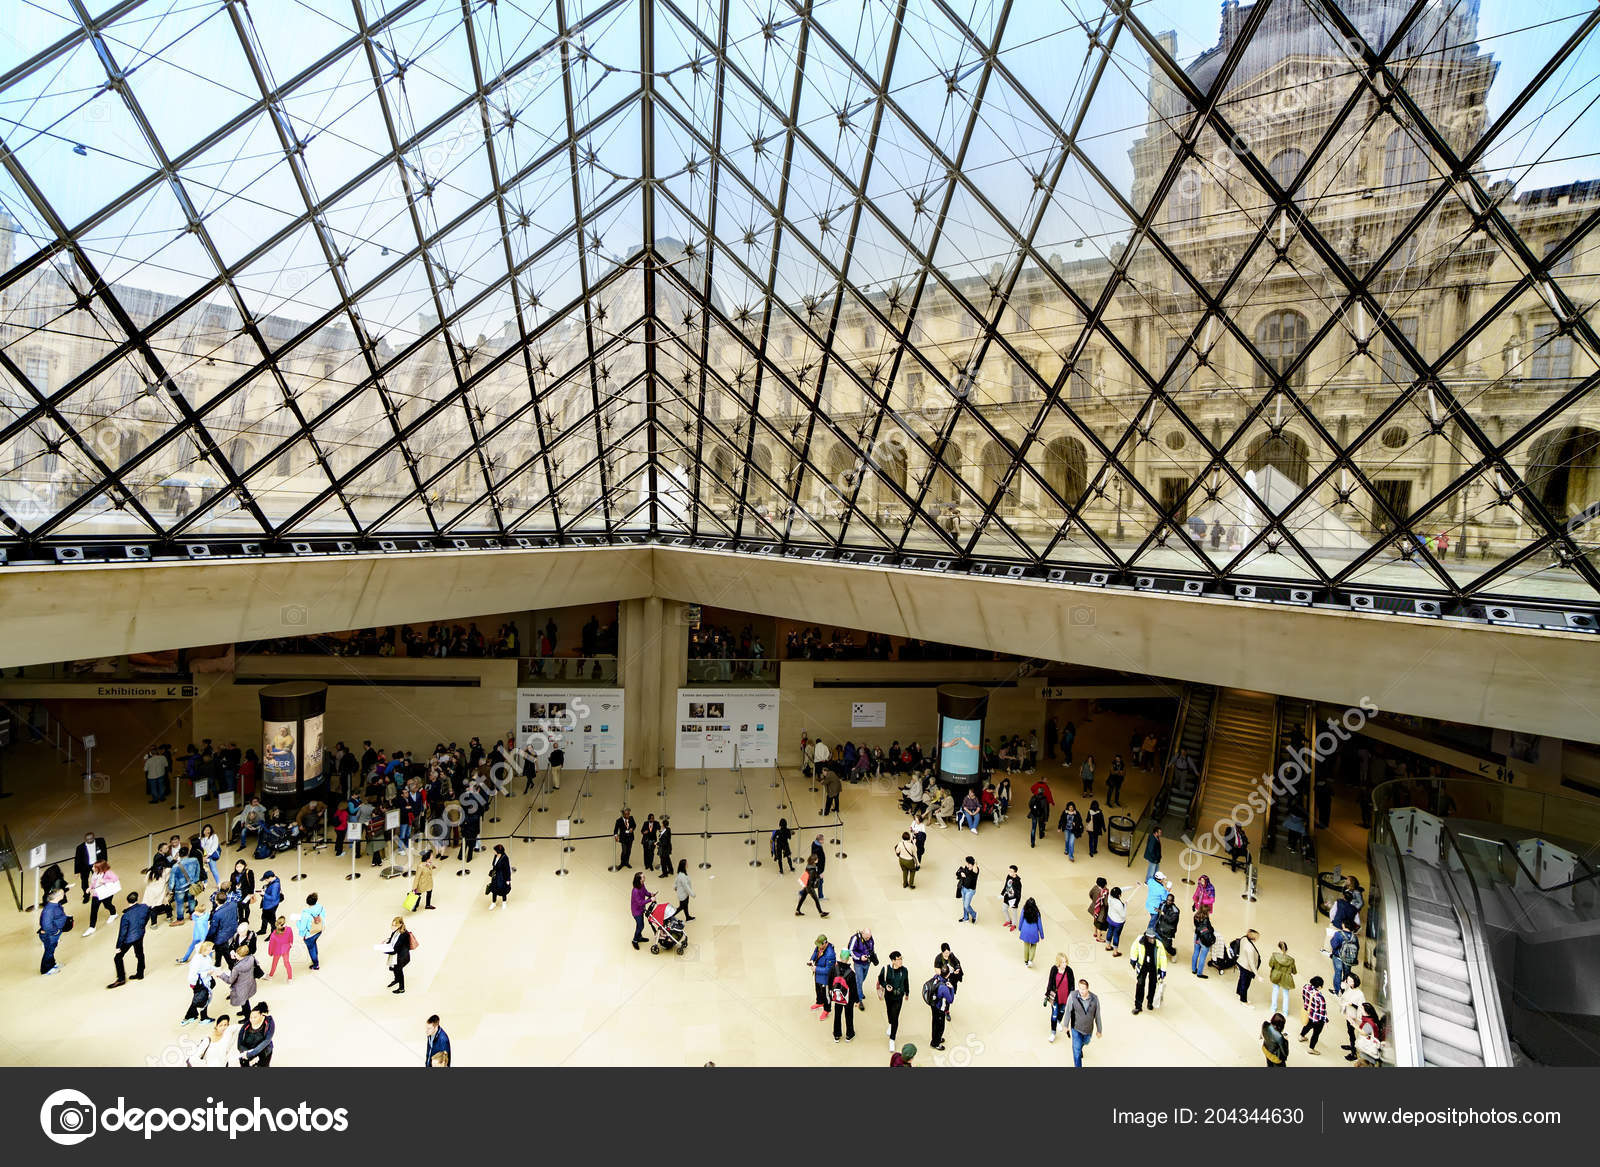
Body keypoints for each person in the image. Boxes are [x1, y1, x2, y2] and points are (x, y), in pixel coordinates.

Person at [107, 891, 150, 988]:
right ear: (137, 898)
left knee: (118, 958)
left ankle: (121, 978)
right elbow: (147, 915)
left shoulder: (126, 916)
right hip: (140, 934)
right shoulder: (144, 907)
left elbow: (122, 933)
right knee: (139, 954)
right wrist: (142, 926)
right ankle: (140, 973)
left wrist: (118, 946)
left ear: (127, 901)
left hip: (129, 939)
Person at [1063, 978, 1102, 1067]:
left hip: (1088, 1030)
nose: (1081, 991)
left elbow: (1097, 1016)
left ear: (1087, 989)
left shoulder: (1094, 999)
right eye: (1080, 988)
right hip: (1076, 1028)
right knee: (1076, 1051)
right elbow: (1068, 1011)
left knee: (1086, 1041)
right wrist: (1065, 1025)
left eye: (1083, 989)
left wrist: (1099, 1030)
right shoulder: (1072, 996)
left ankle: (1081, 1046)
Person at [213, 942, 258, 1018]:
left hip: (241, 987)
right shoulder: (251, 958)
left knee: (244, 1001)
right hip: (249, 983)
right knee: (245, 1000)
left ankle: (247, 1016)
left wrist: (221, 974)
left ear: (241, 956)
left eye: (237, 954)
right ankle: (245, 1011)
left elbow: (230, 980)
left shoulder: (237, 968)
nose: (235, 955)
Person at [877, 951, 910, 1052]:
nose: (901, 961)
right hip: (889, 996)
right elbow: (880, 979)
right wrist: (886, 985)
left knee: (895, 1017)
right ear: (893, 961)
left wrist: (907, 993)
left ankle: (892, 1039)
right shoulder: (886, 969)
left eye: (901, 958)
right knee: (889, 1013)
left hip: (899, 997)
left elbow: (906, 981)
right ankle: (890, 1024)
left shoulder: (904, 970)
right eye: (898, 959)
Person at [181, 942, 217, 1024]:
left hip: (206, 981)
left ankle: (199, 1017)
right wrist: (207, 973)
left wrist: (216, 970)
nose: (211, 951)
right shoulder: (197, 960)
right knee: (199, 1000)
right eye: (209, 949)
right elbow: (193, 974)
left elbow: (210, 966)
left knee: (203, 999)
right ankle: (192, 1017)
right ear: (203, 950)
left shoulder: (206, 957)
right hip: (199, 983)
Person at [1130, 931, 1166, 1014]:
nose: (1152, 940)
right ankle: (1138, 1006)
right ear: (1146, 937)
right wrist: (1133, 959)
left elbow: (1162, 957)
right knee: (1140, 984)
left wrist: (1163, 969)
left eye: (1153, 938)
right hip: (1143, 965)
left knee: (1153, 984)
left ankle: (1150, 1001)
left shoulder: (1159, 944)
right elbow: (1134, 948)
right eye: (1150, 938)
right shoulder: (1139, 941)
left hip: (1154, 966)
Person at [84, 859, 121, 934]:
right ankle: (92, 927)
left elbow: (116, 878)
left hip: (106, 893)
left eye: (94, 867)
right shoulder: (95, 873)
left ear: (100, 868)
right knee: (94, 910)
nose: (92, 868)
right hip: (96, 894)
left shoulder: (108, 872)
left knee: (107, 905)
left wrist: (104, 881)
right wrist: (90, 887)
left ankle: (113, 913)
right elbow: (94, 882)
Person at [1044, 953, 1076, 1041]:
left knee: (1062, 1011)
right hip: (1055, 996)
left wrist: (1072, 996)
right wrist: (1047, 993)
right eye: (1062, 962)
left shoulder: (1069, 970)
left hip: (1066, 996)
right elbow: (1050, 982)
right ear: (1058, 962)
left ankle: (1058, 1022)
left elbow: (1072, 985)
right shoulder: (1054, 969)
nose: (1064, 964)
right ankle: (1053, 1033)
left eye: (1065, 962)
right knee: (1054, 1014)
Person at [73, 832, 109, 903]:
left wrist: (104, 864)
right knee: (84, 882)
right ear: (85, 839)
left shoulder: (101, 841)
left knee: (99, 880)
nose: (89, 840)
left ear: (94, 837)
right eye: (87, 839)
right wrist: (77, 871)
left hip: (96, 865)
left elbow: (104, 853)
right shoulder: (80, 848)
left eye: (91, 839)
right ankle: (86, 895)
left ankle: (100, 893)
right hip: (84, 867)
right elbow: (77, 860)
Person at [237, 1003, 274, 1067]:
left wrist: (252, 1053)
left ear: (261, 1015)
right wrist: (245, 1052)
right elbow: (240, 1043)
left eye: (255, 1017)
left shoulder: (269, 1022)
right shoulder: (246, 1026)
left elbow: (267, 1040)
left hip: (264, 1050)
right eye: (251, 1017)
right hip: (249, 1049)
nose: (252, 1020)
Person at [829, 962, 858, 1043]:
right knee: (849, 1016)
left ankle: (836, 1035)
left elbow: (830, 981)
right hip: (848, 998)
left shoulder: (834, 969)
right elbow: (854, 988)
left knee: (837, 1015)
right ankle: (849, 1034)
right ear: (848, 959)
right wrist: (856, 1000)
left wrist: (831, 994)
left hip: (837, 997)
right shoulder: (851, 973)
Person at [808, 935, 837, 1016]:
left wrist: (816, 969)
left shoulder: (830, 954)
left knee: (826, 994)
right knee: (818, 989)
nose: (818, 947)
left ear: (824, 943)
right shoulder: (819, 946)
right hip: (818, 975)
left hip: (825, 978)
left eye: (819, 945)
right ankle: (819, 1002)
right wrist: (812, 960)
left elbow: (828, 970)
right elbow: (815, 952)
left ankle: (827, 1009)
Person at [927, 964, 954, 1051]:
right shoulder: (944, 988)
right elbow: (950, 1000)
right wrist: (952, 988)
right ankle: (935, 1043)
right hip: (940, 1008)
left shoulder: (936, 977)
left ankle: (936, 1039)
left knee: (935, 1023)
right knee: (940, 1026)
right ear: (948, 974)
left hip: (933, 1005)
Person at [1299, 975, 1328, 1054]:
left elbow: (1304, 997)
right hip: (1317, 1018)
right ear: (1319, 986)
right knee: (1316, 1034)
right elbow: (1322, 1012)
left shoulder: (1306, 987)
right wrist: (1325, 1020)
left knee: (1307, 1025)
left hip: (1308, 1013)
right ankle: (1311, 1049)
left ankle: (1301, 1036)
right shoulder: (1320, 997)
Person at [1268, 940, 1297, 1016]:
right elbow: (1294, 971)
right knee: (1286, 994)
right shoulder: (1291, 960)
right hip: (1286, 978)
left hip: (1276, 975)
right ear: (1287, 949)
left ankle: (1273, 1008)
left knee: (1275, 991)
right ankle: (1285, 1012)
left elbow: (1270, 964)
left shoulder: (1274, 956)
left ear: (1279, 948)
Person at [384, 917, 412, 993]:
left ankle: (401, 988)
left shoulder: (404, 934)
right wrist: (385, 943)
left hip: (402, 956)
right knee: (394, 968)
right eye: (392, 925)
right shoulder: (395, 932)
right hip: (396, 955)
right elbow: (391, 941)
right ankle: (396, 980)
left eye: (395, 925)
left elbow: (395, 949)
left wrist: (384, 950)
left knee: (398, 970)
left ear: (400, 924)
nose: (393, 927)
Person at [297, 893, 324, 971]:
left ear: (307, 901)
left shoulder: (305, 914)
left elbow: (302, 928)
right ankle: (316, 958)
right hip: (318, 930)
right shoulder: (320, 908)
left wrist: (298, 921)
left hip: (310, 934)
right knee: (314, 943)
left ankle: (316, 965)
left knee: (311, 948)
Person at [1235, 928, 1262, 1004]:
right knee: (1245, 984)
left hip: (1240, 962)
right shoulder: (1250, 948)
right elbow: (1251, 963)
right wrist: (1257, 975)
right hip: (1246, 967)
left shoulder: (1244, 938)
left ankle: (1239, 993)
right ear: (1253, 938)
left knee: (1241, 979)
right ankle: (1243, 1000)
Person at [1017, 898, 1044, 967]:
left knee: (1026, 945)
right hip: (1034, 932)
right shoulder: (1037, 912)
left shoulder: (1024, 910)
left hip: (1025, 930)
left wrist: (1019, 928)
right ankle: (1030, 960)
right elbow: (1040, 924)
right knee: (1033, 945)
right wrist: (1042, 935)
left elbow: (1021, 919)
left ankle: (1026, 961)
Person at [630, 872, 653, 949]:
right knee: (640, 926)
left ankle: (639, 937)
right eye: (643, 877)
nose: (644, 877)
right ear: (639, 879)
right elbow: (640, 902)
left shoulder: (642, 885)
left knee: (640, 925)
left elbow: (645, 892)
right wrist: (650, 900)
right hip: (636, 911)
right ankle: (635, 940)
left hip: (641, 909)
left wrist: (650, 894)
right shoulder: (635, 891)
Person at [1192, 906, 1216, 977]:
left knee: (1196, 952)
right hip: (1204, 939)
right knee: (1202, 956)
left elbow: (1197, 927)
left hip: (1197, 937)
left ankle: (1194, 969)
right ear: (1206, 912)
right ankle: (1199, 973)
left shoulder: (1195, 916)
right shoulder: (1206, 919)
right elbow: (1211, 929)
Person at [487, 843, 512, 910]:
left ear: (498, 851)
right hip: (495, 875)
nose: (494, 852)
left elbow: (507, 869)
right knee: (494, 888)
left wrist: (508, 879)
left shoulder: (505, 858)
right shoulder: (496, 856)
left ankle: (504, 902)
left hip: (502, 876)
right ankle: (493, 902)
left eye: (495, 850)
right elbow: (494, 864)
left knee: (503, 889)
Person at [956, 856, 979, 924]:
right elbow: (958, 872)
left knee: (966, 905)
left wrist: (975, 863)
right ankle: (966, 917)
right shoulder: (966, 867)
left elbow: (975, 870)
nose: (966, 864)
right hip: (963, 888)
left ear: (971, 864)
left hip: (970, 890)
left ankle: (974, 914)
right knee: (964, 904)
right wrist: (961, 873)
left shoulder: (975, 870)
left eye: (968, 863)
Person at [1105, 887, 1127, 956]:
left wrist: (1131, 887)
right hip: (1118, 922)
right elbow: (1123, 915)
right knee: (1116, 935)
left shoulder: (1110, 897)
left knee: (1109, 931)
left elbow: (1120, 889)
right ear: (1119, 895)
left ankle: (1108, 946)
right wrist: (1125, 906)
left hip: (1110, 918)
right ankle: (1115, 952)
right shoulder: (1119, 904)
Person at [1001, 865, 1022, 931]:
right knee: (1004, 909)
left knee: (1014, 913)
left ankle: (1014, 924)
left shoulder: (1018, 882)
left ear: (1015, 872)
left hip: (1013, 899)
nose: (1009, 872)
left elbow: (1018, 894)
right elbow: (1006, 885)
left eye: (1011, 871)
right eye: (1009, 870)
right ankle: (1008, 920)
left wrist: (1016, 903)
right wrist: (1002, 893)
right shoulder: (1008, 876)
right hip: (1007, 896)